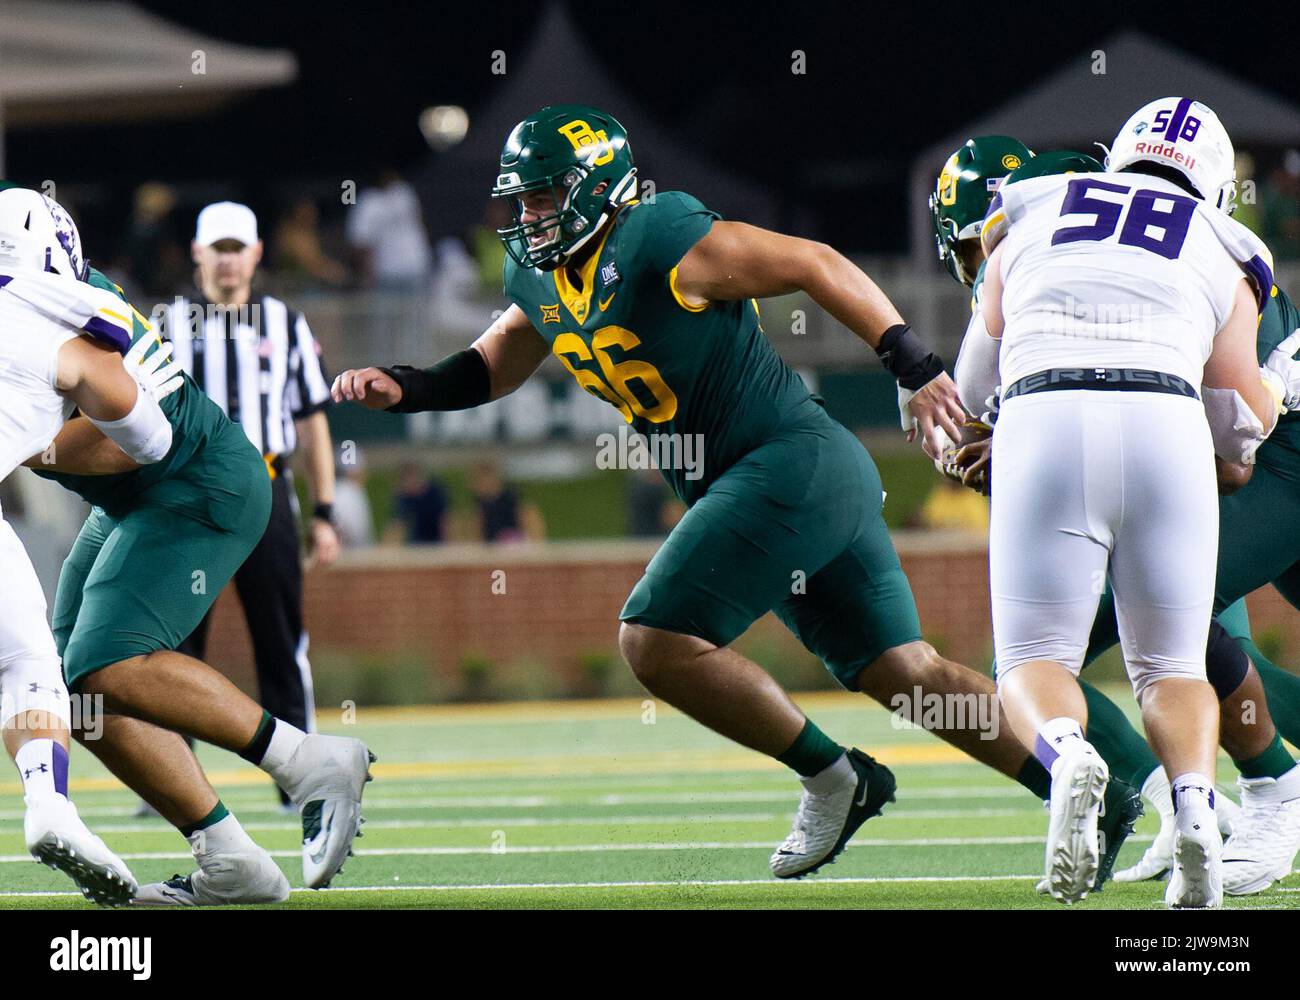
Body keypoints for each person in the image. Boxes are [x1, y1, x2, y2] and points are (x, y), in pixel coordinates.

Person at [331, 103, 1145, 882]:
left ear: (598, 187)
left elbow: (813, 263)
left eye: (547, 197)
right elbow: (497, 356)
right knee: (909, 675)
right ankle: (1083, 794)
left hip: (787, 464)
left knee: (652, 639)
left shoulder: (663, 236)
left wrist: (911, 360)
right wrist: (406, 389)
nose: (532, 217)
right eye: (527, 200)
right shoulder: (540, 275)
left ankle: (834, 779)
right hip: (783, 484)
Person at [938, 138, 1300, 896]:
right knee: (1175, 650)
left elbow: (1235, 464)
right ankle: (1196, 800)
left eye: (978, 249)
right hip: (1184, 444)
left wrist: (1019, 436)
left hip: (1274, 456)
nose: (975, 267)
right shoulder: (1201, 241)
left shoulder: (1043, 222)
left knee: (1056, 649)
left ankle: (1259, 789)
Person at [0, 188, 372, 906]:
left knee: (108, 665)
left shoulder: (57, 316)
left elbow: (137, 445)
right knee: (73, 689)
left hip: (197, 484)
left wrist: (33, 444)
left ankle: (308, 762)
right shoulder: (55, 296)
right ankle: (230, 857)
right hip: (139, 497)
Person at [164, 201, 341, 806]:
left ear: (257, 253)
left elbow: (312, 420)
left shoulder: (285, 323)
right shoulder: (166, 324)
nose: (229, 259)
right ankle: (168, 773)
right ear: (198, 252)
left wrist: (324, 511)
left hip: (266, 493)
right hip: (188, 499)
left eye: (239, 248)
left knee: (280, 635)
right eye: (219, 248)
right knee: (174, 641)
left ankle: (301, 770)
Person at [0, 185, 147, 905]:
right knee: (28, 661)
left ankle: (53, 809)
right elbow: (151, 438)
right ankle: (49, 805)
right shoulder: (68, 324)